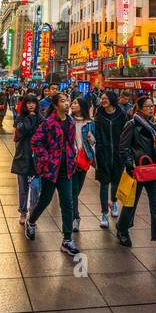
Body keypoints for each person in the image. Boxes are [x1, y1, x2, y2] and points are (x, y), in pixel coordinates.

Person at [116, 95, 156, 266]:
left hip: (154, 171)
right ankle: (122, 228)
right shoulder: (132, 124)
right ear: (140, 108)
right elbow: (123, 148)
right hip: (138, 170)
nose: (151, 108)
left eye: (153, 106)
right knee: (131, 204)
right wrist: (130, 166)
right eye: (148, 106)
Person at [25, 92, 80, 255]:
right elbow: (35, 141)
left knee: (67, 203)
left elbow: (70, 142)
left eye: (67, 100)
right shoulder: (48, 123)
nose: (67, 103)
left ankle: (67, 240)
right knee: (45, 200)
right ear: (56, 105)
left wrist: (72, 155)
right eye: (62, 101)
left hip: (66, 169)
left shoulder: (70, 122)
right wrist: (47, 158)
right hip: (50, 169)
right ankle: (31, 221)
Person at [92, 90, 126, 229]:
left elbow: (126, 132)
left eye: (105, 98)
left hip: (118, 154)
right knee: (104, 184)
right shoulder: (99, 114)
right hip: (103, 153)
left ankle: (114, 202)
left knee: (116, 182)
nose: (103, 100)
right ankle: (104, 213)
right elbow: (96, 132)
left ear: (112, 99)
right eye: (102, 98)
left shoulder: (121, 114)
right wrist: (98, 146)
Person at [12, 93, 42, 218]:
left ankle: (33, 211)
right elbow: (20, 133)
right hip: (23, 156)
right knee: (23, 188)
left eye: (33, 103)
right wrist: (30, 118)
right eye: (28, 103)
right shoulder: (20, 118)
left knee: (35, 187)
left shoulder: (41, 118)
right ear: (25, 104)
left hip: (37, 158)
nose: (31, 105)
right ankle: (23, 211)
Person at [69, 97, 95, 233]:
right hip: (70, 159)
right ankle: (75, 218)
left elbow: (94, 143)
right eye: (72, 103)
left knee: (76, 190)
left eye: (75, 103)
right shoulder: (68, 121)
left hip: (84, 160)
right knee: (73, 190)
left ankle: (72, 213)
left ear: (82, 106)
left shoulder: (90, 123)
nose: (72, 105)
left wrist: (91, 139)